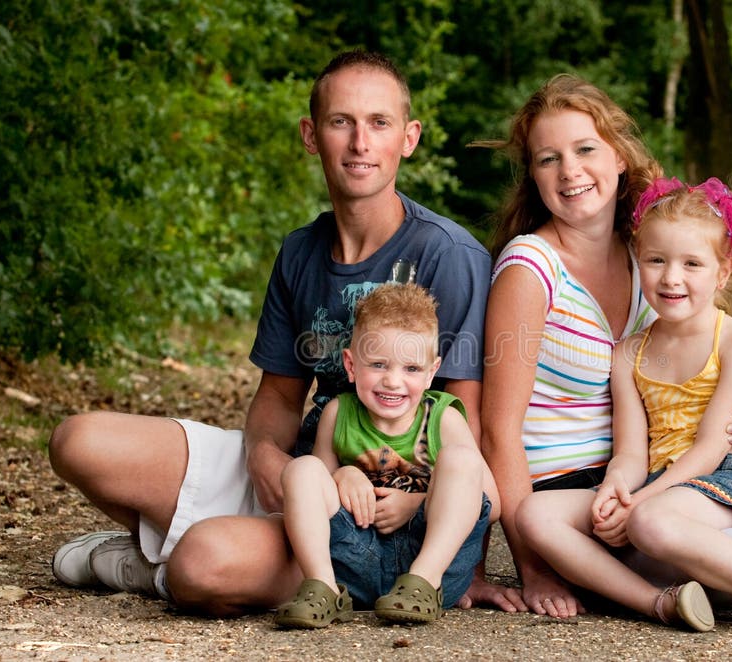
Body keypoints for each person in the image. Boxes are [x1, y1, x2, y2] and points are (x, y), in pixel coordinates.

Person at [47, 49, 492, 616]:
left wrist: (462, 564)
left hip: (372, 512)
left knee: (201, 567)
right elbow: (280, 395)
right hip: (302, 469)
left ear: (408, 137)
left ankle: (147, 563)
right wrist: (262, 454)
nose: (360, 143)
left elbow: (463, 422)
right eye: (341, 122)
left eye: (378, 123)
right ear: (312, 135)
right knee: (78, 441)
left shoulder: (447, 256)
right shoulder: (301, 250)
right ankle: (192, 542)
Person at [520, 176, 732, 640]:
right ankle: (659, 602)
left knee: (651, 521)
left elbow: (713, 446)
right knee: (535, 514)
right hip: (663, 482)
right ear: (639, 260)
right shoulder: (628, 352)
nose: (671, 277)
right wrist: (617, 491)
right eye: (656, 261)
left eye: (692, 263)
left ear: (724, 272)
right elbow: (632, 453)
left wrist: (641, 504)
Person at [274, 283, 497, 628]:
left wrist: (417, 504)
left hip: (434, 564)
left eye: (410, 369)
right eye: (378, 364)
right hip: (356, 559)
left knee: (462, 461)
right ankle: (323, 587)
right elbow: (318, 491)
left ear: (431, 372)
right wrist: (341, 476)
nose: (392, 381)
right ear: (351, 364)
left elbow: (491, 503)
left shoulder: (443, 418)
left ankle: (423, 582)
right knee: (302, 469)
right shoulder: (337, 414)